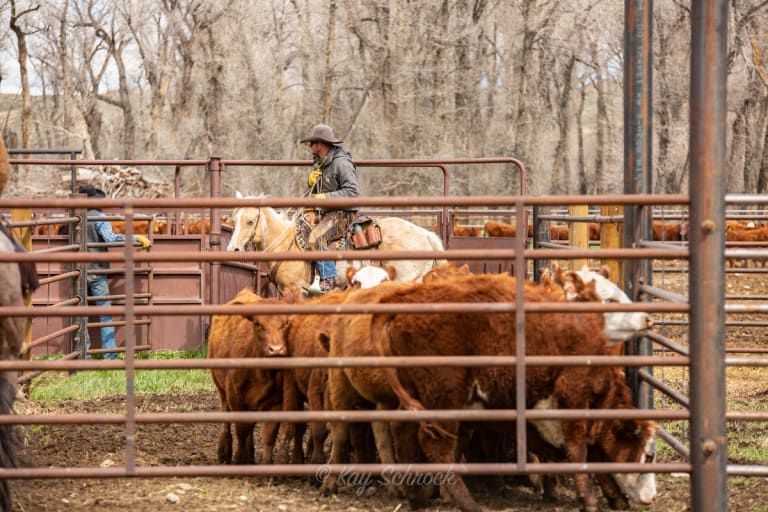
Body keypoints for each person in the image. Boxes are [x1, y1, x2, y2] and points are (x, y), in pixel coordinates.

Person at [78, 184, 152, 359]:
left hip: (78, 272)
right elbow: (111, 238)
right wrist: (136, 238)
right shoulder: (99, 217)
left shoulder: (75, 217)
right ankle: (109, 356)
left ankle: (83, 357)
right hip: (96, 271)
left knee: (80, 316)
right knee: (104, 315)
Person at [300, 124, 361, 293]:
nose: (310, 146)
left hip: (344, 213)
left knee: (316, 238)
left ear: (320, 144)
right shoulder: (323, 163)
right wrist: (311, 182)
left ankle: (328, 279)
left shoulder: (341, 163)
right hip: (330, 211)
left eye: (312, 142)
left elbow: (353, 192)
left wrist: (325, 197)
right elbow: (317, 192)